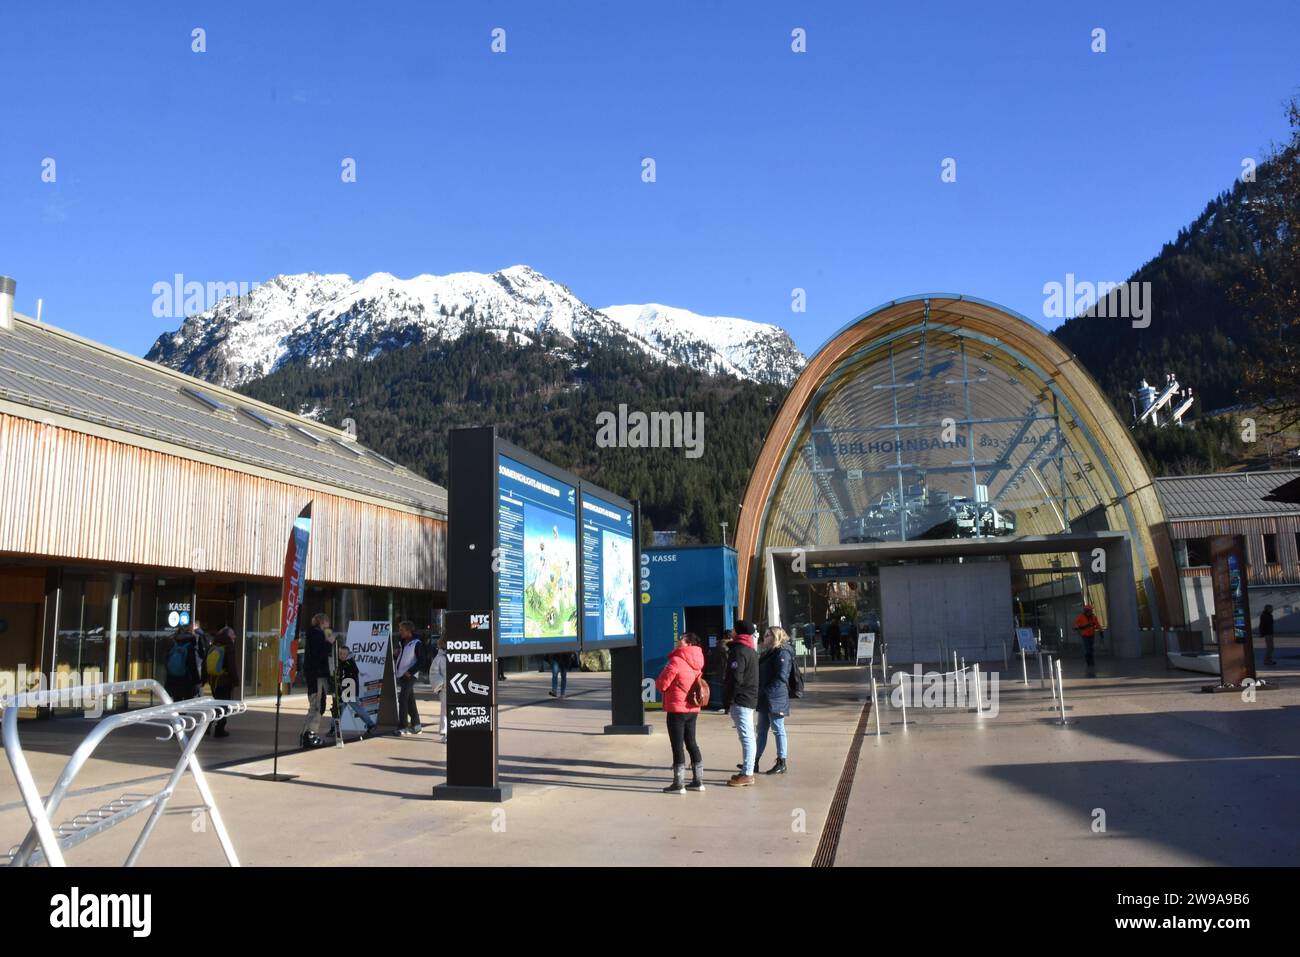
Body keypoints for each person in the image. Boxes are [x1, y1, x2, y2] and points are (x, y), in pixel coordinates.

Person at [655, 632, 706, 794]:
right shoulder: (698, 660)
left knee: (677, 745)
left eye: (681, 640)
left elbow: (662, 684)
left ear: (689, 643)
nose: (677, 643)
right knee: (691, 742)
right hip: (693, 707)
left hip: (677, 708)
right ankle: (698, 781)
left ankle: (678, 784)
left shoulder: (676, 660)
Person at [724, 620, 760, 787]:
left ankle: (747, 773)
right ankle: (747, 770)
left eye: (733, 629)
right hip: (749, 697)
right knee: (748, 736)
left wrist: (729, 698)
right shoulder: (751, 649)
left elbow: (735, 677)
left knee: (746, 737)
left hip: (741, 699)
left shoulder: (739, 651)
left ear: (738, 632)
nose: (730, 631)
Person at [755, 626, 795, 774]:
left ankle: (781, 761)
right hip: (765, 696)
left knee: (778, 729)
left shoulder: (782, 652)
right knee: (761, 730)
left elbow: (782, 676)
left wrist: (767, 691)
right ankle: (754, 761)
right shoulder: (767, 653)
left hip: (776, 697)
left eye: (767, 635)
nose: (764, 637)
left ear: (775, 637)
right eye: (764, 635)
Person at [300, 612, 334, 748]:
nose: (329, 626)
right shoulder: (318, 635)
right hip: (317, 675)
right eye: (327, 623)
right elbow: (320, 654)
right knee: (317, 705)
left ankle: (307, 734)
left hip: (314, 674)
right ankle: (310, 734)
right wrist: (329, 643)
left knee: (317, 704)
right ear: (322, 622)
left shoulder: (313, 634)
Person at [333, 644, 379, 738]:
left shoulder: (349, 663)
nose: (341, 655)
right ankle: (333, 728)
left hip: (350, 691)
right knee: (337, 709)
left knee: (356, 709)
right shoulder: (341, 662)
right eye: (340, 653)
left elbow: (351, 675)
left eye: (343, 654)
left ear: (348, 654)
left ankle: (371, 725)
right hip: (344, 691)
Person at [206, 626, 239, 738]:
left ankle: (208, 726)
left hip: (214, 681)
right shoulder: (229, 647)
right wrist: (235, 681)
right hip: (224, 682)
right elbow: (232, 667)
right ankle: (219, 729)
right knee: (224, 706)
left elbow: (205, 664)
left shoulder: (214, 645)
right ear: (228, 635)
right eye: (233, 634)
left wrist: (204, 679)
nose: (235, 636)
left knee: (216, 704)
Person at [394, 620, 424, 734]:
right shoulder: (402, 643)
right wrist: (395, 655)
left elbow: (422, 661)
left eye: (401, 630)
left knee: (402, 699)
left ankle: (403, 727)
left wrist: (410, 672)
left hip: (410, 676)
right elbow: (402, 659)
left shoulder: (417, 643)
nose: (399, 632)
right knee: (410, 701)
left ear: (408, 631)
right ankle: (417, 726)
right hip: (402, 675)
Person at [163, 624, 203, 703]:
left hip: (174, 679)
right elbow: (193, 666)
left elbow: (167, 662)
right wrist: (197, 682)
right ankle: (183, 715)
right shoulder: (190, 647)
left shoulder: (173, 645)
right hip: (187, 681)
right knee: (186, 704)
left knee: (177, 701)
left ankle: (178, 715)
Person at [1072, 603, 1101, 674]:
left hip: (1091, 635)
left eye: (1091, 610)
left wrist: (1100, 631)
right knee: (1087, 649)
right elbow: (1075, 625)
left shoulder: (1093, 617)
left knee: (1091, 648)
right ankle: (1089, 662)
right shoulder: (1080, 617)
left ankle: (1092, 661)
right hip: (1085, 635)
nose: (1091, 612)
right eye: (1090, 610)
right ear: (1086, 611)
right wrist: (1083, 627)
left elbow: (1097, 625)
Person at [430, 636, 449, 742]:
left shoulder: (441, 657)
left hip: (453, 687)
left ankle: (447, 731)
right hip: (445, 688)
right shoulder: (440, 658)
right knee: (445, 710)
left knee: (447, 710)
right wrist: (441, 685)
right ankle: (445, 732)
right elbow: (434, 672)